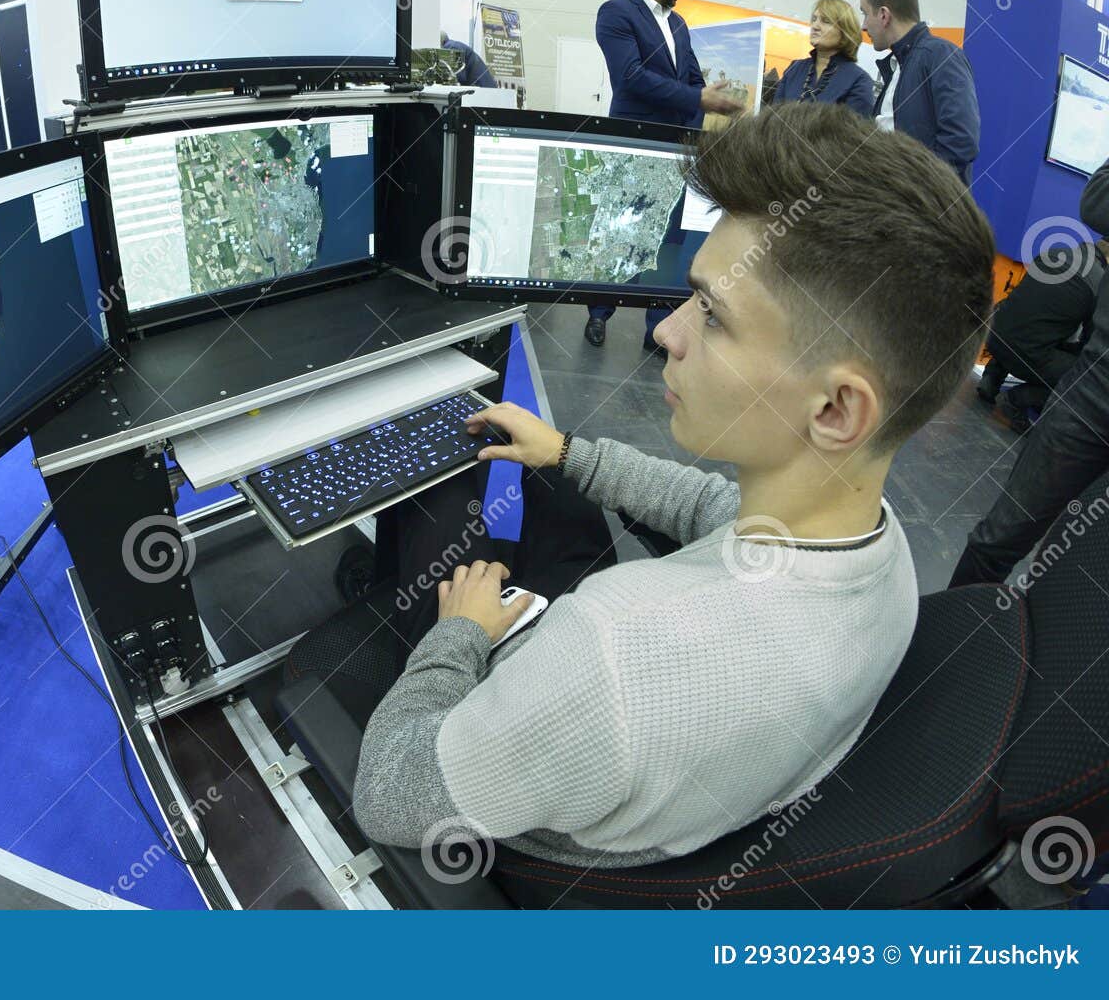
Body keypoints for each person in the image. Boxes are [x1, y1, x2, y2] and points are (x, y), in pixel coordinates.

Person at [284, 104, 993, 884]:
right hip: (637, 741)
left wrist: (460, 636)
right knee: (542, 485)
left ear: (836, 409)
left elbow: (390, 792)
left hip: (527, 737)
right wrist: (567, 454)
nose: (667, 333)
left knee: (444, 496)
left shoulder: (611, 652)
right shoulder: (884, 557)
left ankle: (394, 597)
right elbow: (710, 512)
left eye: (714, 317)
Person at [950, 158, 1109, 587]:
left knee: (1077, 575)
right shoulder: (1088, 272)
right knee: (1001, 537)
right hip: (1096, 387)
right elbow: (1097, 201)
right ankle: (950, 632)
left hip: (1011, 343)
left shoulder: (1076, 259)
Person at [589, 0, 742, 351]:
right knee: (621, 232)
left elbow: (692, 80)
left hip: (676, 149)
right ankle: (598, 314)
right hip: (633, 144)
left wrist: (703, 104)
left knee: (666, 241)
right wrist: (697, 99)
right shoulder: (615, 13)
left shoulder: (678, 25)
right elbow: (631, 78)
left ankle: (656, 328)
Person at [857, 0, 980, 183]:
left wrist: (910, 189)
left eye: (865, 13)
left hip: (919, 208)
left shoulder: (940, 55)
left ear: (884, 15)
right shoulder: (899, 65)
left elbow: (961, 141)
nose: (864, 26)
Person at [977, 238, 1105, 434]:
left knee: (1029, 323)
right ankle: (1017, 400)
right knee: (1089, 375)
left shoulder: (1054, 254)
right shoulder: (1099, 284)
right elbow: (1094, 344)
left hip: (993, 336)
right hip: (1025, 355)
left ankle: (992, 376)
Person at [773, 0, 876, 117]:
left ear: (845, 32)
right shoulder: (795, 68)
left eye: (826, 21)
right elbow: (773, 116)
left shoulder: (859, 80)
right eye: (814, 19)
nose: (815, 26)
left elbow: (853, 132)